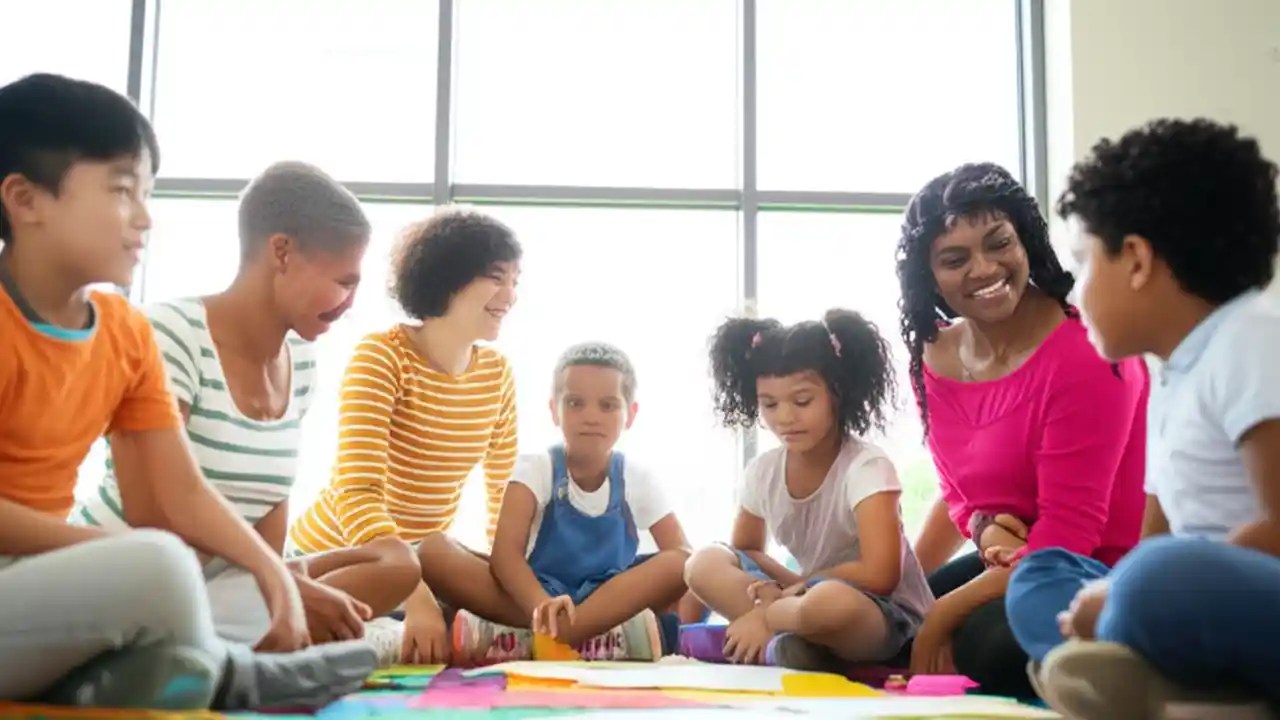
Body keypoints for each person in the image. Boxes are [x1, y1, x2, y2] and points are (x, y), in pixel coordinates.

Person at [0, 73, 374, 710]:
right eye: (121, 190)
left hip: (35, 590)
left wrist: (273, 576)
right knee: (158, 566)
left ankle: (123, 679)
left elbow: (181, 491)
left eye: (147, 193)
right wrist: (121, 551)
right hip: (40, 580)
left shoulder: (123, 332)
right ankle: (232, 675)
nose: (144, 218)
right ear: (25, 199)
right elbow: (153, 532)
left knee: (196, 587)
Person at [71, 161, 420, 656]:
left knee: (399, 563)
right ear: (282, 252)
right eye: (343, 282)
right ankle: (238, 646)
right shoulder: (171, 334)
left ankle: (247, 641)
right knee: (289, 604)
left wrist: (276, 580)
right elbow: (155, 510)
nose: (349, 303)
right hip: (137, 570)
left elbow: (273, 500)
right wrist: (279, 584)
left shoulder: (301, 361)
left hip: (229, 583)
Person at [1005, 118, 1280, 719]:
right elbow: (1157, 530)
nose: (1074, 294)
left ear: (1135, 259)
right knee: (1041, 575)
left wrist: (1125, 591)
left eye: (1082, 262)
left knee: (1162, 577)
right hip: (1195, 603)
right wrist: (1109, 591)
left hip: (1240, 591)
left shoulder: (1252, 338)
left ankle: (1160, 680)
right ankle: (1165, 682)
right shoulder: (1170, 375)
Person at [895, 162, 1148, 698]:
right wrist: (986, 531)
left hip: (1090, 569)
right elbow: (959, 495)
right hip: (1010, 556)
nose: (983, 269)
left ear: (1025, 239)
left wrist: (942, 615)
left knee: (980, 643)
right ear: (929, 274)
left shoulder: (1087, 351)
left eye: (998, 243)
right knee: (895, 625)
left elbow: (1071, 536)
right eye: (955, 259)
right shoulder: (932, 357)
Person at [288, 206, 520, 666]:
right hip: (346, 561)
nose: (510, 296)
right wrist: (414, 594)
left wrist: (506, 580)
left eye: (517, 280)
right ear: (449, 277)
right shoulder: (382, 357)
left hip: (421, 565)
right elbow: (356, 494)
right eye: (497, 278)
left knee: (476, 595)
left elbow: (504, 499)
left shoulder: (496, 374)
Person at [684, 310, 933, 671]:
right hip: (802, 598)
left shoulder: (866, 467)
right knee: (702, 562)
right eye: (769, 404)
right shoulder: (763, 471)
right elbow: (747, 550)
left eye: (801, 402)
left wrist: (775, 606)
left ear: (837, 394)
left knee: (829, 604)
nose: (784, 417)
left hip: (882, 616)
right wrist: (780, 589)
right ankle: (798, 644)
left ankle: (776, 626)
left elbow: (881, 575)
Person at [424, 342, 690, 664]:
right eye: (576, 403)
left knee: (682, 562)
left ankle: (536, 636)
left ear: (630, 414)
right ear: (554, 409)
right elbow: (505, 556)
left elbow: (681, 556)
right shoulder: (536, 467)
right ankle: (589, 636)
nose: (591, 417)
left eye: (607, 406)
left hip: (605, 599)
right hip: (536, 595)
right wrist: (540, 605)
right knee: (433, 550)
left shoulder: (637, 477)